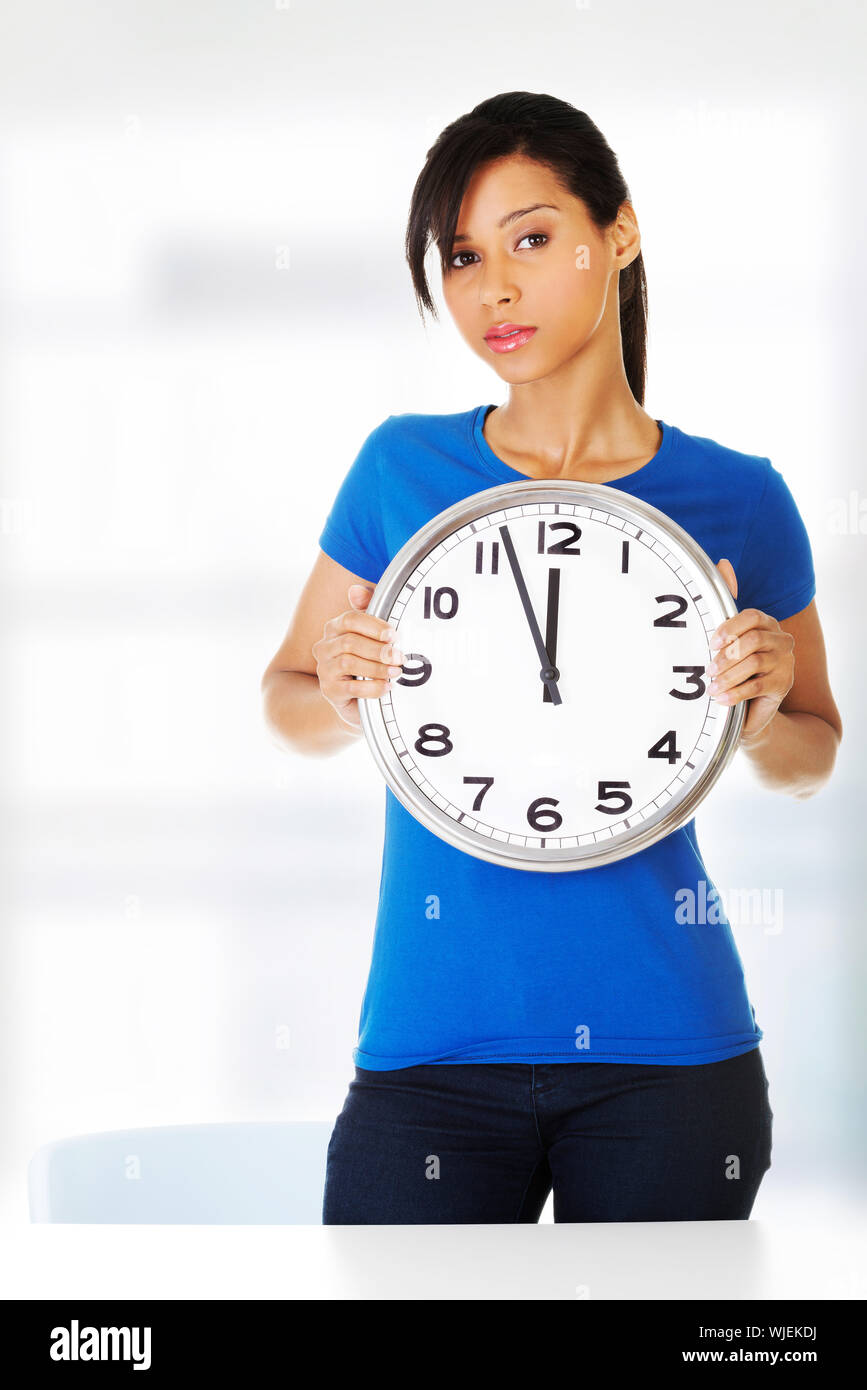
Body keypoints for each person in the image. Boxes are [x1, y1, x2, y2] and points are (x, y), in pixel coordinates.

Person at [261, 92, 843, 1224]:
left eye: (532, 238)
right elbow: (285, 697)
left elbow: (813, 758)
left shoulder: (739, 495)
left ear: (618, 234)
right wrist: (336, 692)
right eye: (465, 256)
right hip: (429, 1056)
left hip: (669, 1060)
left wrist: (764, 709)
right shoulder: (401, 469)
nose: (495, 288)